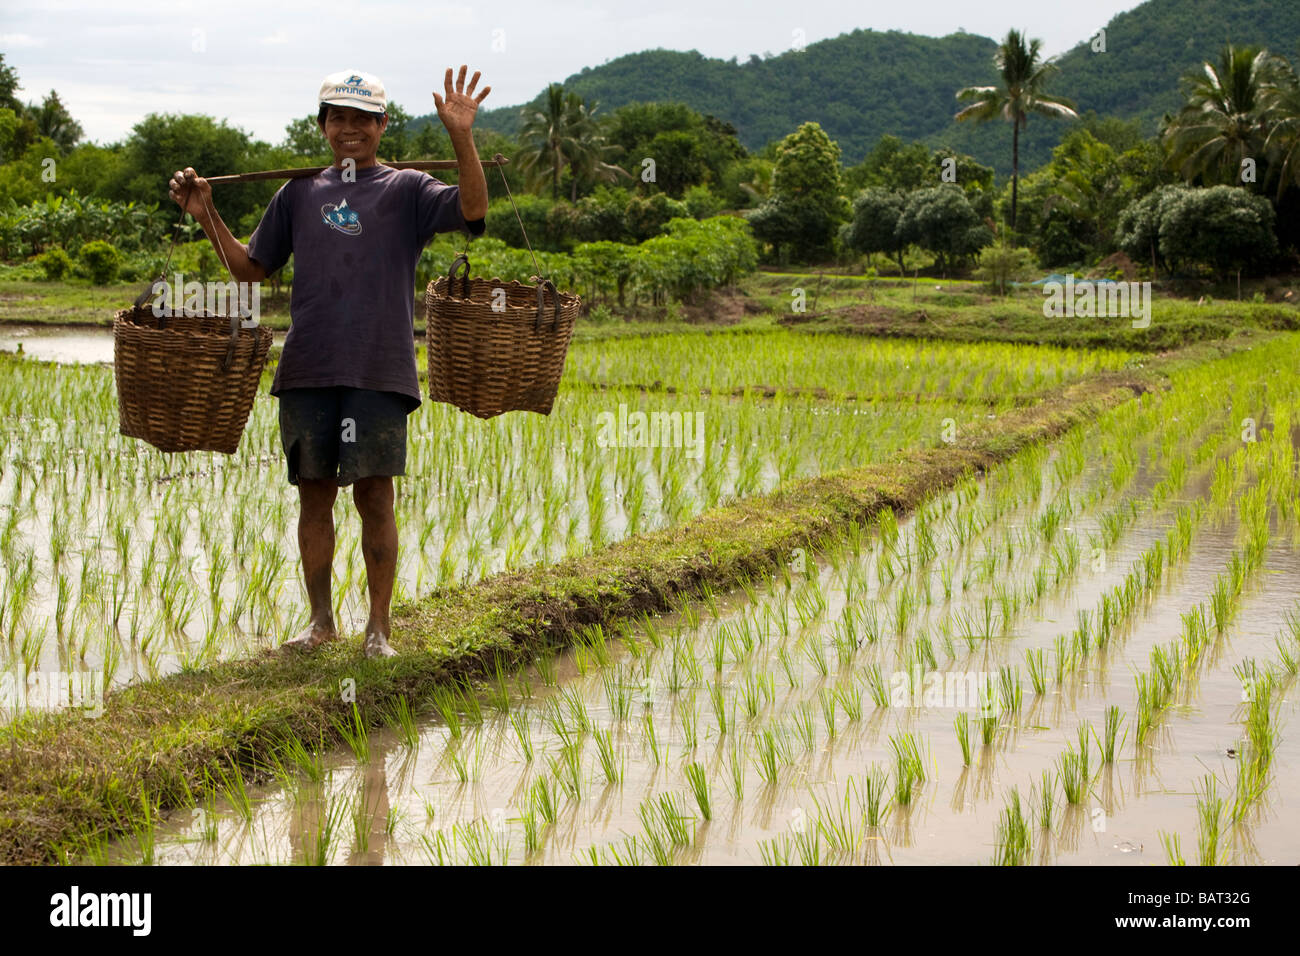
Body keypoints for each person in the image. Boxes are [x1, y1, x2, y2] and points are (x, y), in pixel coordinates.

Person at [169, 66, 490, 658]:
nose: (351, 129)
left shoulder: (408, 190)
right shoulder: (297, 193)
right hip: (308, 368)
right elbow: (250, 270)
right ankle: (321, 623)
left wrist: (461, 136)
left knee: (375, 496)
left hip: (379, 369)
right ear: (322, 126)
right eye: (338, 117)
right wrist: (206, 214)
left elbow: (473, 213)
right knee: (313, 497)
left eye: (363, 118)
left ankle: (378, 630)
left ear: (381, 126)